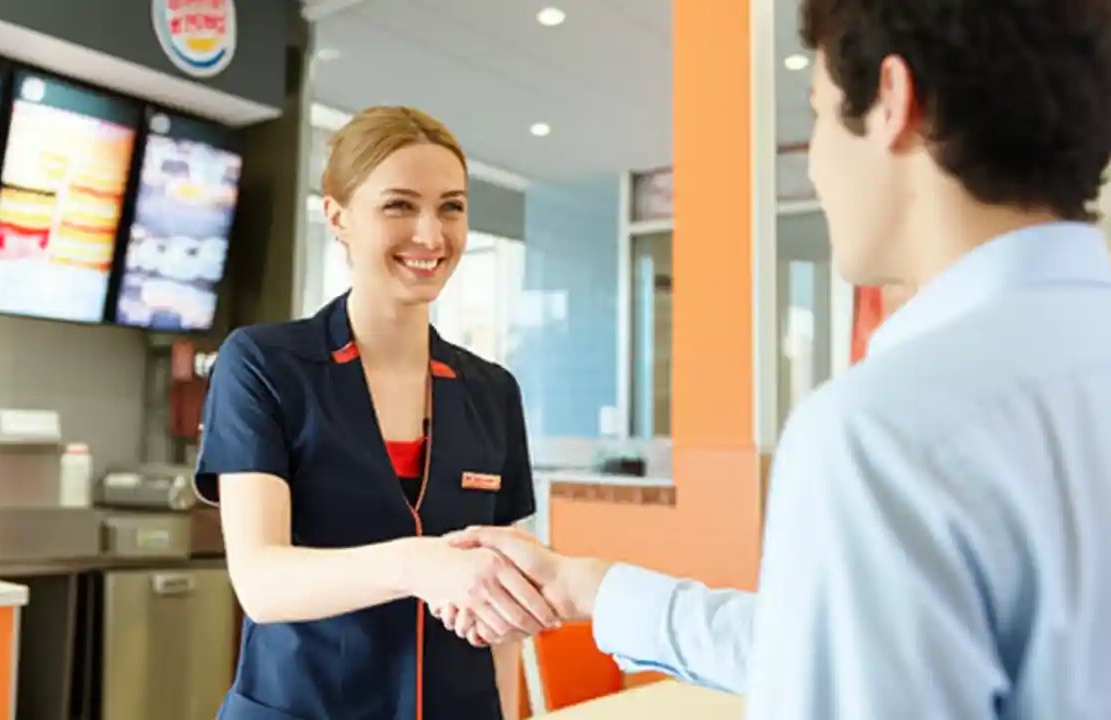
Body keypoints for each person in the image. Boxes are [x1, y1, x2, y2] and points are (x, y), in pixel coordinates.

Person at [443, 0, 1111, 717]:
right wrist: (592, 588)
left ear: (892, 100)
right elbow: (844, 645)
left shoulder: (883, 435)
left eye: (818, 114)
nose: (817, 167)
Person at [195, 105, 558, 720]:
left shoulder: (491, 391)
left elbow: (500, 606)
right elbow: (261, 583)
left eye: (451, 207)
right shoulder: (265, 365)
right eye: (398, 206)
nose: (431, 235)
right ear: (337, 216)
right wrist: (417, 564)